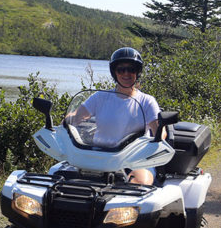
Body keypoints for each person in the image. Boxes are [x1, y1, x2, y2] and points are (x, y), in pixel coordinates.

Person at [67, 47, 161, 185]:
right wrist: (66, 121)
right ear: (114, 72)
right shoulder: (100, 97)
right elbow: (77, 116)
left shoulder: (147, 101)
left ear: (137, 72)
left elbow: (159, 131)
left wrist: (159, 138)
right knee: (62, 177)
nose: (126, 73)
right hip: (98, 156)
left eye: (131, 69)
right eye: (121, 69)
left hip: (135, 159)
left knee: (140, 183)